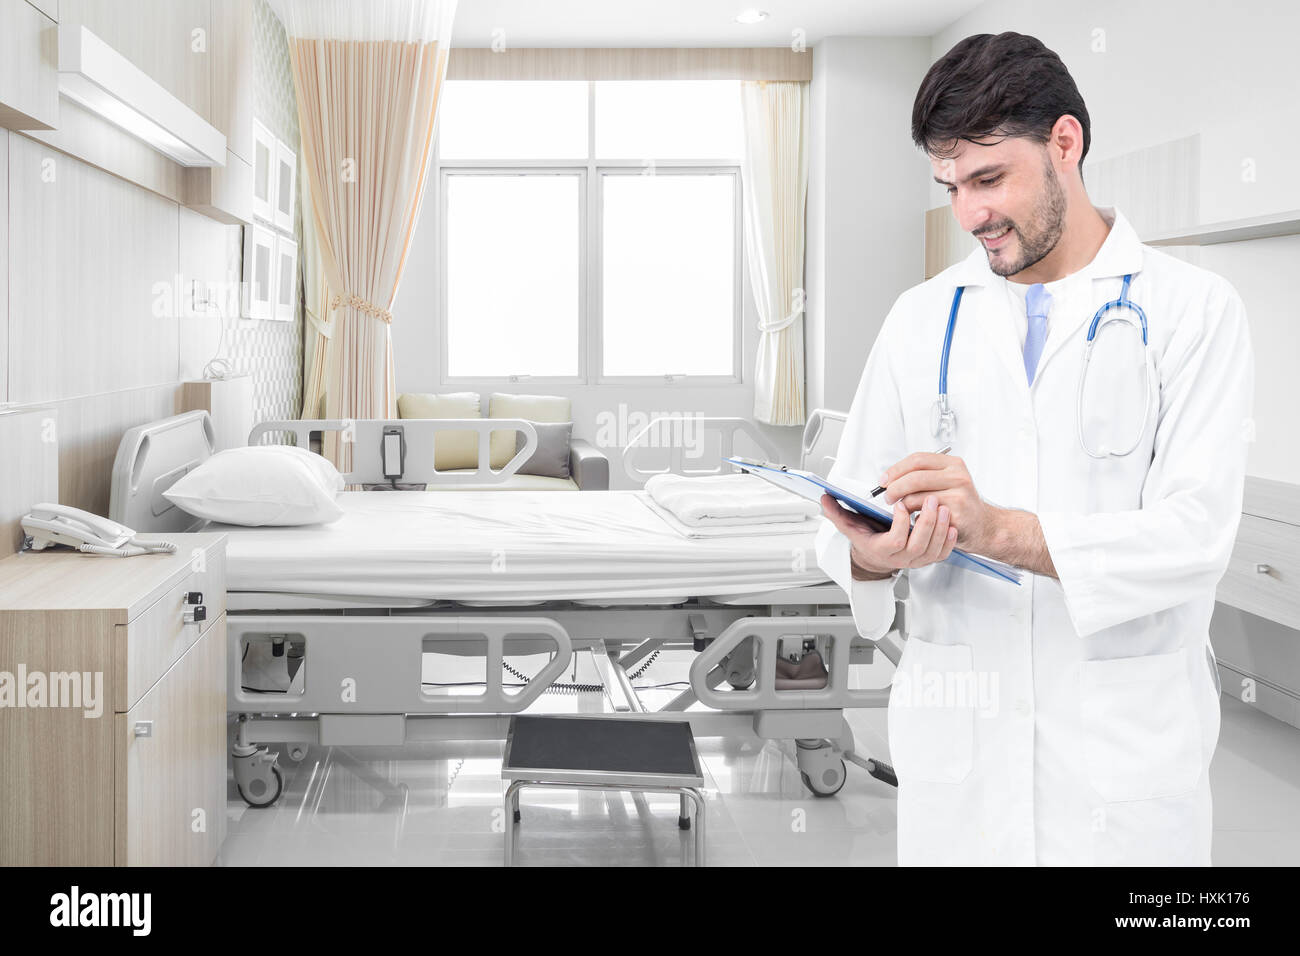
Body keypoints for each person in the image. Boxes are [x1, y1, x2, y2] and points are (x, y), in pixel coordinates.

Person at [815, 31, 1254, 866]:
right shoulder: (923, 316)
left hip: (1120, 765)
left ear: (1065, 142)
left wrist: (995, 530)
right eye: (951, 186)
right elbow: (847, 507)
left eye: (989, 178)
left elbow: (1194, 537)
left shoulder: (1194, 310)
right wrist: (875, 556)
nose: (969, 213)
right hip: (961, 759)